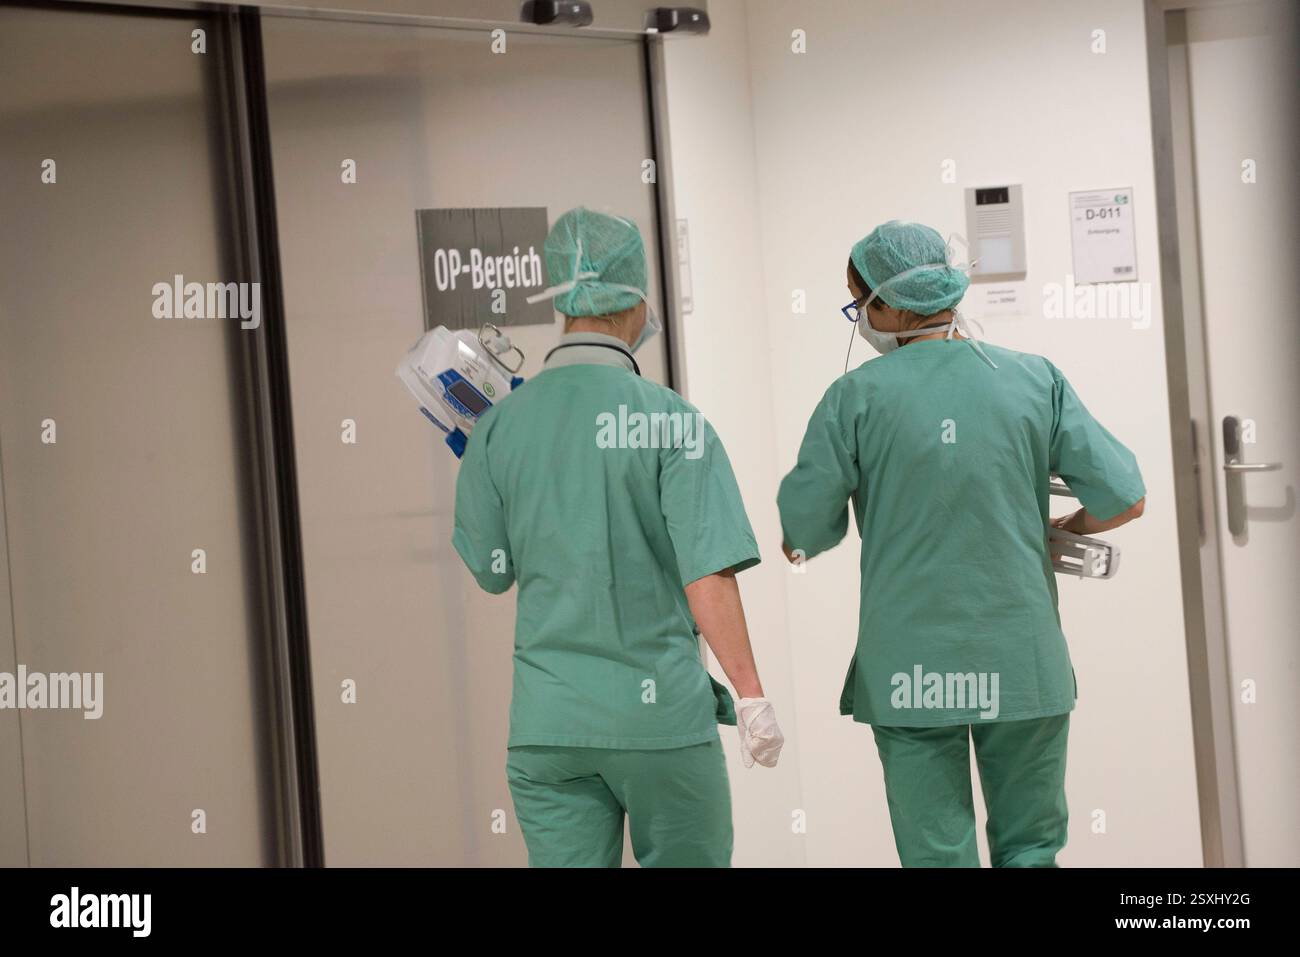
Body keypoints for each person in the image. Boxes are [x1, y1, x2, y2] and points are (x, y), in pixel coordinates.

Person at [777, 220, 1145, 867]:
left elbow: (804, 533)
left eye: (857, 304)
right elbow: (1126, 497)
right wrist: (1060, 531)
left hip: (912, 668)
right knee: (1031, 848)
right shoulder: (1034, 380)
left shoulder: (855, 398)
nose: (859, 319)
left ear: (888, 305)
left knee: (937, 856)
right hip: (1020, 659)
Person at [453, 206, 783, 868]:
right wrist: (751, 695)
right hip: (658, 723)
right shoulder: (670, 421)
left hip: (548, 732)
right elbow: (707, 575)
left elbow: (492, 572)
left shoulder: (499, 425)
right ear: (633, 299)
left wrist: (481, 457)